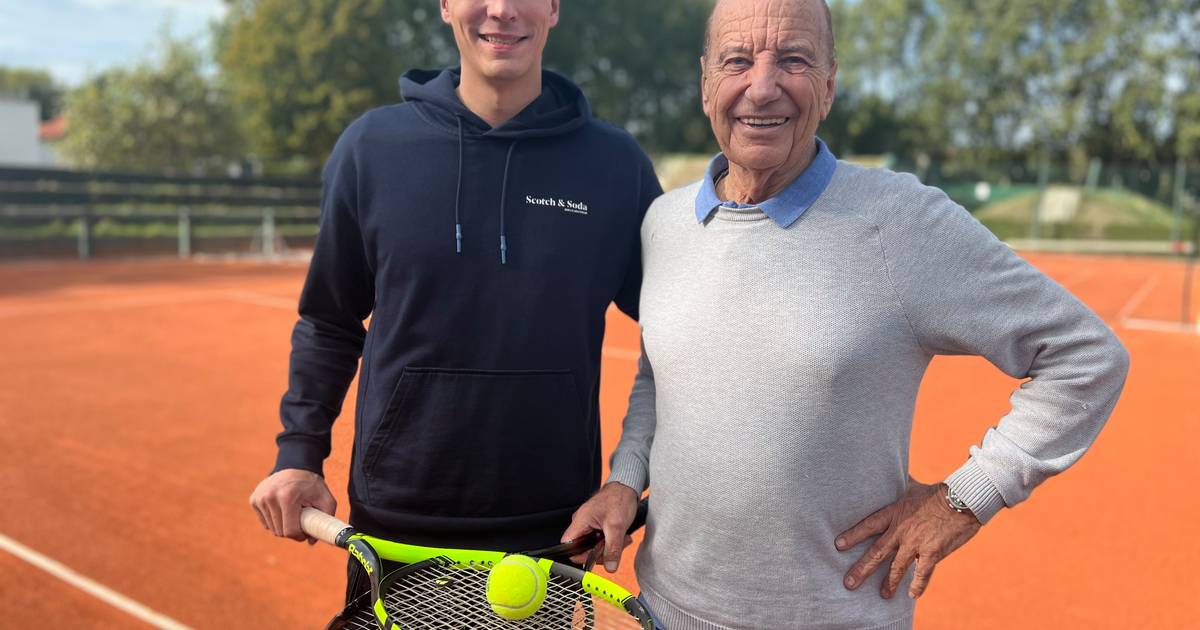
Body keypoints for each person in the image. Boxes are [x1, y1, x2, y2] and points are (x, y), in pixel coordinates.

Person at [562, 0, 1130, 628]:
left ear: (829, 85)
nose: (763, 84)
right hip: (661, 611)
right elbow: (656, 373)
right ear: (705, 84)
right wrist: (624, 478)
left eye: (794, 60)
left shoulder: (904, 221)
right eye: (738, 61)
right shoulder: (663, 223)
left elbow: (1086, 355)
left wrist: (965, 499)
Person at [248, 0, 662, 607]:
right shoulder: (372, 149)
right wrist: (298, 453)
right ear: (445, 6)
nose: (501, 10)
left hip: (552, 528)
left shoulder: (614, 165)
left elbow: (683, 329)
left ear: (552, 8)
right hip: (396, 522)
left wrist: (630, 480)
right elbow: (330, 320)